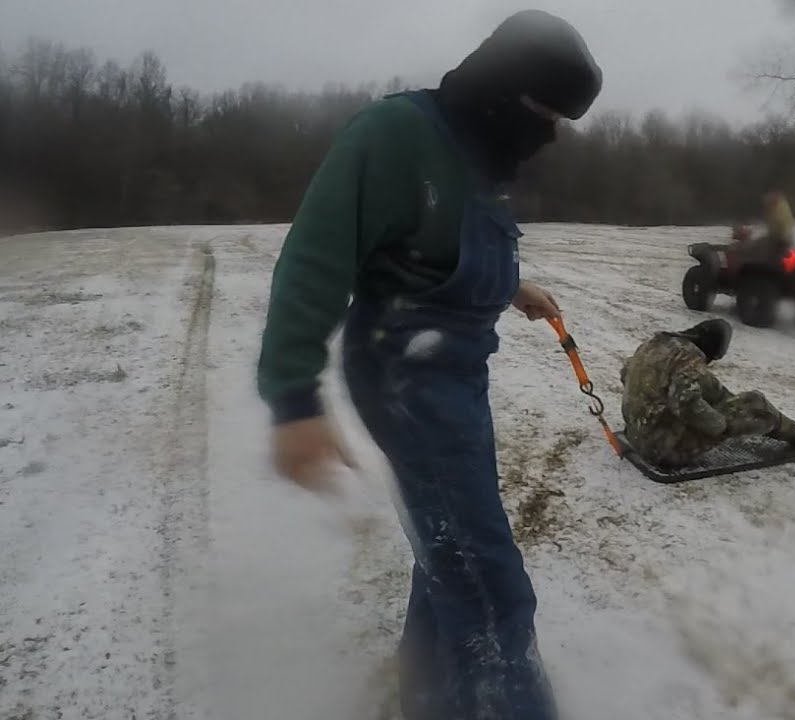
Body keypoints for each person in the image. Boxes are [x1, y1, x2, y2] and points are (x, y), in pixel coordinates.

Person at [255, 10, 602, 720]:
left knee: (449, 543)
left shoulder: (482, 156)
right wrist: (293, 400)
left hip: (458, 373)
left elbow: (437, 247)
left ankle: (429, 693)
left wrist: (512, 286)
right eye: (546, 113)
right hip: (402, 372)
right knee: (489, 580)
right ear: (504, 88)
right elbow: (316, 261)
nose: (549, 134)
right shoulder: (396, 136)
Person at [619, 318, 795, 468]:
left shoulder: (655, 345)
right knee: (756, 404)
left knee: (706, 385)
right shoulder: (688, 356)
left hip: (636, 436)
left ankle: (779, 422)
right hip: (664, 452)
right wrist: (722, 426)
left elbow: (625, 372)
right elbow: (686, 404)